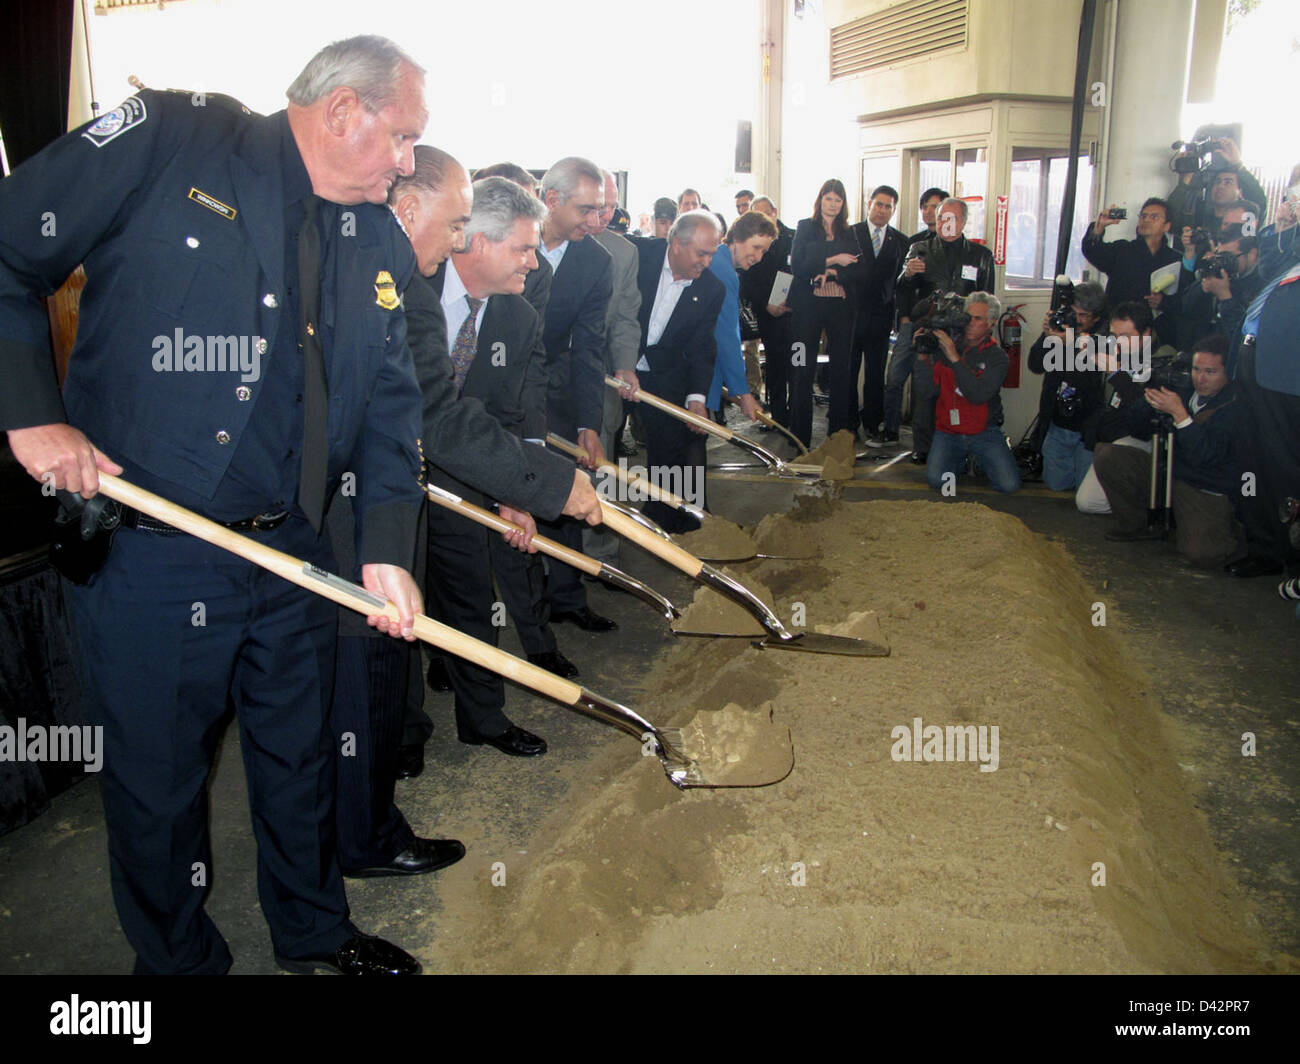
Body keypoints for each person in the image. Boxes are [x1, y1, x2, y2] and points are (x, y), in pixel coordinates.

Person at [1, 35, 433, 976]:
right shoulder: (173, 140)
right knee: (159, 790)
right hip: (156, 554)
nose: (408, 165)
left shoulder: (377, 237)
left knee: (300, 758)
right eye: (401, 139)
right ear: (342, 113)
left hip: (296, 553)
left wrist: (386, 545)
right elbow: (7, 250)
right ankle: (181, 966)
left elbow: (394, 409)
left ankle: (314, 935)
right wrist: (32, 418)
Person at [421, 176, 579, 758]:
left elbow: (512, 414)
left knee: (468, 598)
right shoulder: (408, 285)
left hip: (465, 476)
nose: (534, 264)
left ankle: (481, 717)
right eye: (523, 249)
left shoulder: (517, 320)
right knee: (391, 612)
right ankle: (405, 733)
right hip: (380, 481)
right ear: (476, 243)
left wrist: (519, 491)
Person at [534, 156, 617, 632]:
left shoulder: (595, 261)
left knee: (568, 489)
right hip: (487, 388)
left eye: (602, 209)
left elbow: (589, 347)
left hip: (556, 390)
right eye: (586, 209)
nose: (596, 220)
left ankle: (566, 595)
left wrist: (589, 423)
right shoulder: (505, 236)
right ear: (551, 201)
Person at [1093, 334, 1244, 568]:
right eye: (1196, 369)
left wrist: (1181, 416)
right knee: (1108, 455)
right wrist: (1149, 399)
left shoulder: (1234, 407)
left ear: (1228, 372)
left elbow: (1205, 456)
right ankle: (1141, 524)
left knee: (1202, 554)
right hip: (1171, 474)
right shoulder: (1184, 390)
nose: (1200, 378)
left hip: (1206, 486)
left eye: (1210, 372)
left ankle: (1230, 536)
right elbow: (1136, 429)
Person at [629, 211, 725, 532]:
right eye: (702, 253)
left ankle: (662, 519)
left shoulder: (711, 289)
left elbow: (702, 346)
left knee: (668, 449)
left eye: (713, 253)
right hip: (615, 365)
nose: (707, 262)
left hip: (663, 373)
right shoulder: (638, 255)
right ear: (677, 244)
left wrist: (696, 396)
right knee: (602, 440)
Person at [896, 197, 996, 462]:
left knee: (961, 391)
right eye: (941, 218)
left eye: (952, 218)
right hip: (928, 333)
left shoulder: (981, 255)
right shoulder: (919, 248)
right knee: (925, 390)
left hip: (965, 335)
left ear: (963, 222)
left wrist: (980, 334)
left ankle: (964, 447)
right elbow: (901, 289)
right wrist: (907, 273)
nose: (945, 223)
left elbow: (988, 299)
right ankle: (923, 446)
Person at [586, 168, 643, 566]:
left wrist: (625, 365)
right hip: (541, 374)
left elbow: (625, 317)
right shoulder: (535, 244)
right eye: (597, 206)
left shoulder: (624, 253)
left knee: (600, 454)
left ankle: (600, 556)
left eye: (611, 207)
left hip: (599, 371)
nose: (605, 216)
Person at [1076, 301, 1174, 515]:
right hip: (1110, 434)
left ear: (1146, 333)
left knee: (1089, 502)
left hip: (1146, 440)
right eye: (1114, 335)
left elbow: (1146, 414)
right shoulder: (1114, 351)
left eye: (1126, 337)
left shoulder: (1164, 361)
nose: (1118, 342)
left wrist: (1116, 373)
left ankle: (1148, 505)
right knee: (1083, 499)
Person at [921, 292, 1020, 495]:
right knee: (937, 481)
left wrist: (954, 358)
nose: (970, 323)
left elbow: (978, 395)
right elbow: (927, 390)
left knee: (1008, 485)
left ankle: (980, 459)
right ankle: (963, 462)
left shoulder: (997, 357)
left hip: (984, 431)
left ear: (991, 322)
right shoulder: (946, 345)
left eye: (978, 319)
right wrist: (922, 356)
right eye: (968, 317)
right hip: (949, 430)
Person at [789, 178, 862, 446]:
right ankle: (798, 439)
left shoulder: (849, 232)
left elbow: (857, 270)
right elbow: (799, 265)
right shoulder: (805, 227)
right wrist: (835, 258)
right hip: (805, 310)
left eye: (838, 199)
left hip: (841, 309)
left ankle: (838, 439)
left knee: (842, 372)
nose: (832, 204)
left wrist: (828, 269)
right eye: (828, 198)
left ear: (844, 204)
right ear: (820, 199)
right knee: (801, 371)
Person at [882, 186, 948, 455]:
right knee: (895, 377)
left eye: (936, 206)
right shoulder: (916, 243)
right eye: (927, 207)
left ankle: (925, 443)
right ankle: (891, 430)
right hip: (910, 323)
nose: (930, 212)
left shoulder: (957, 249)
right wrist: (905, 317)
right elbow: (902, 285)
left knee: (925, 386)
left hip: (938, 328)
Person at [1026, 281, 1108, 492]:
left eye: (1083, 315)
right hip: (1057, 425)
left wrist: (1071, 342)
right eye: (1074, 313)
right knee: (1056, 484)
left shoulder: (1105, 337)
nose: (1077, 320)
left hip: (1087, 430)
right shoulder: (1061, 329)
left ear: (1096, 317)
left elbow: (1092, 371)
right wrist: (1047, 336)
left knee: (1084, 491)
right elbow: (1034, 365)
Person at [1081, 197, 1182, 347]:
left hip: (1155, 334)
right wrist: (1100, 226)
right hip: (1118, 330)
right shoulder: (1122, 250)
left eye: (1154, 217)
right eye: (1143, 216)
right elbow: (1093, 251)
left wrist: (1163, 302)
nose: (1146, 220)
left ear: (1167, 226)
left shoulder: (1175, 259)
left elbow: (1184, 301)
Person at [705, 209, 776, 420]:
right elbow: (727, 335)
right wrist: (743, 392)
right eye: (756, 247)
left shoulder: (718, 259)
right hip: (696, 372)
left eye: (764, 251)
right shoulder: (724, 271)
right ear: (736, 238)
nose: (759, 257)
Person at [849, 184, 907, 444]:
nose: (882, 210)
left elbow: (901, 283)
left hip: (881, 320)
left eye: (888, 207)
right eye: (879, 204)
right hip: (850, 317)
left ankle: (872, 422)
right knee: (848, 372)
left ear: (893, 211)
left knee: (875, 376)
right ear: (868, 204)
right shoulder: (850, 234)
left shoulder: (901, 241)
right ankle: (847, 422)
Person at [742, 195, 795, 428]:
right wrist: (766, 304)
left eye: (767, 213)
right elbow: (748, 281)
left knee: (797, 366)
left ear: (776, 211)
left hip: (796, 319)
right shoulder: (750, 245)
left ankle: (797, 414)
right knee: (774, 367)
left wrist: (790, 302)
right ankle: (778, 417)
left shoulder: (793, 237)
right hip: (768, 317)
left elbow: (801, 273)